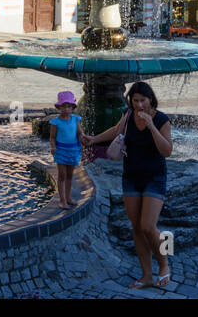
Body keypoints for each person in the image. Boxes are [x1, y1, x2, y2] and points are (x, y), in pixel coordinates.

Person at [86, 81, 173, 288]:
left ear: (150, 99)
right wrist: (94, 139)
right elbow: (117, 131)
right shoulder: (128, 114)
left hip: (154, 177)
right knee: (136, 227)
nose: (139, 105)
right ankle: (146, 275)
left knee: (148, 226)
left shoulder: (162, 120)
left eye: (143, 100)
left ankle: (164, 265)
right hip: (131, 176)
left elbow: (167, 150)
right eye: (135, 101)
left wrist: (151, 126)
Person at [48, 90, 89, 209]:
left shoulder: (75, 119)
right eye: (64, 106)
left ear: (72, 107)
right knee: (62, 175)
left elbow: (80, 133)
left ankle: (68, 197)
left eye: (69, 106)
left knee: (70, 175)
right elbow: (52, 137)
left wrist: (83, 138)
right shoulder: (55, 122)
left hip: (74, 150)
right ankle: (62, 200)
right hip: (61, 151)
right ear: (59, 107)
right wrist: (53, 146)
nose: (66, 109)